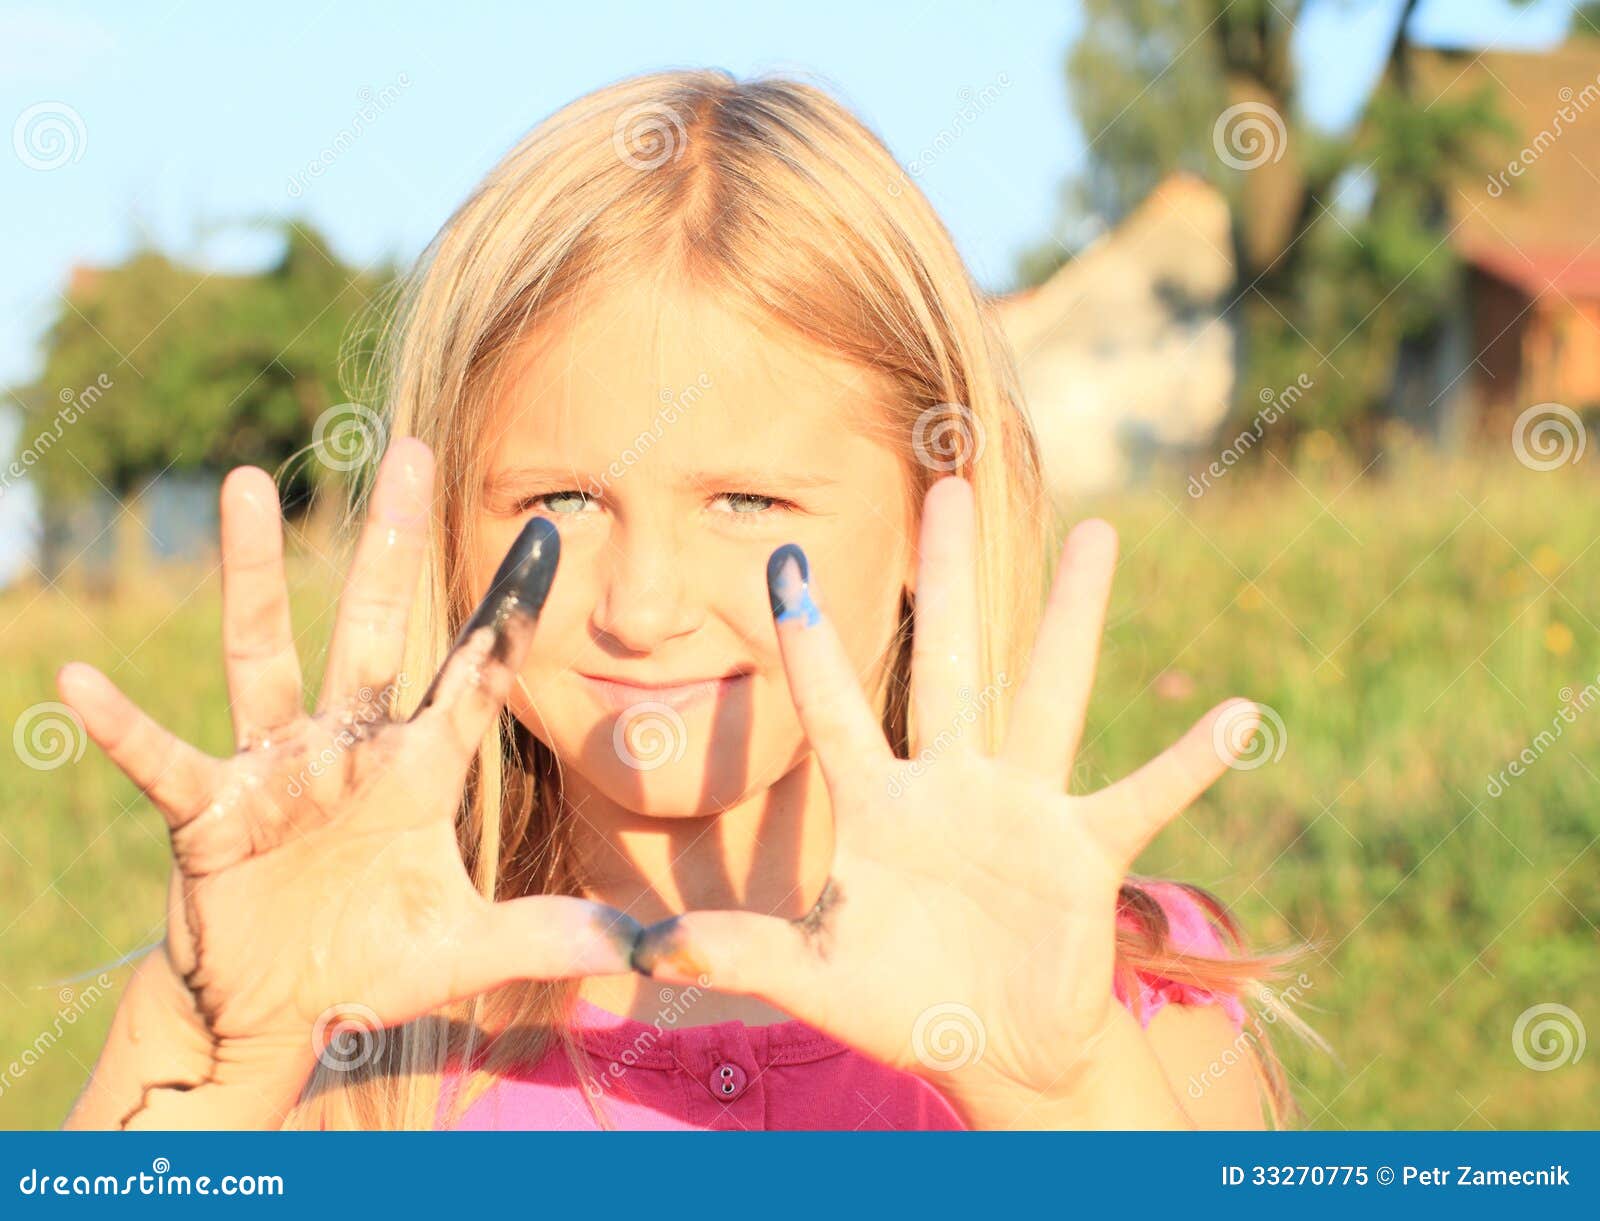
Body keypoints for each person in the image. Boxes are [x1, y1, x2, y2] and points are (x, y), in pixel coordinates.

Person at [57, 69, 1309, 1132]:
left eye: (752, 503)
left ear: (942, 511)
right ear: (448, 534)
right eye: (557, 503)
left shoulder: (1132, 1006)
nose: (641, 607)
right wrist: (215, 1052)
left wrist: (1066, 1090)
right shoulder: (365, 1031)